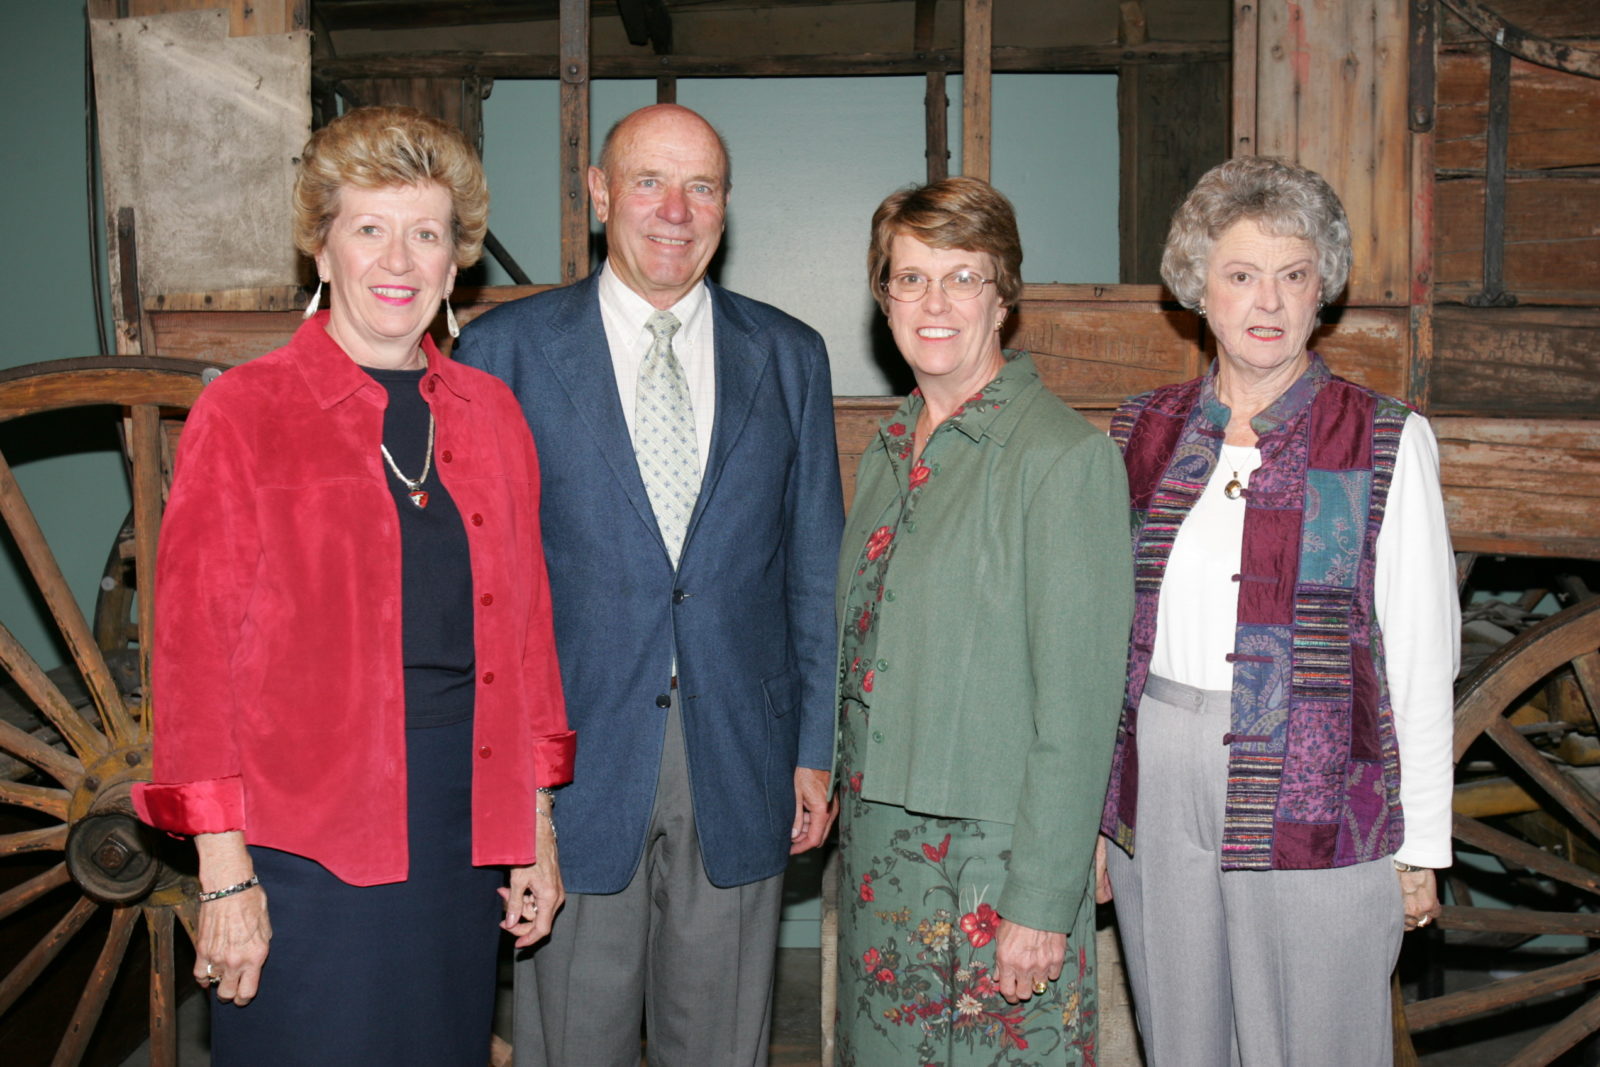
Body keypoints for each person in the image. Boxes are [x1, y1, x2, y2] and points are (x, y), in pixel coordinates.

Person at [132, 106, 575, 1065]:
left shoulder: (492, 414)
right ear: (322, 251)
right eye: (370, 228)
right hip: (298, 848)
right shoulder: (243, 413)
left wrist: (535, 823)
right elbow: (193, 663)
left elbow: (528, 637)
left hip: (460, 832)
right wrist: (222, 873)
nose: (399, 259)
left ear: (455, 264)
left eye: (428, 234)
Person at [454, 103, 843, 1067]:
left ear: (726, 205)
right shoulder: (503, 353)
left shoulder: (790, 355)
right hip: (571, 762)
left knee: (721, 1043)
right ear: (599, 194)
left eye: (701, 186)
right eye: (648, 182)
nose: (676, 210)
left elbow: (813, 567)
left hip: (742, 755)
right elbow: (476, 586)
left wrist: (813, 747)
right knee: (572, 1041)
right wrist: (504, 770)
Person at [1097, 155, 1458, 1066]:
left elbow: (1420, 654)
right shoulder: (1142, 431)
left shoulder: (1380, 435)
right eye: (1242, 274)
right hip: (1159, 777)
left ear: (1320, 290)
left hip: (1318, 785)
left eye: (1293, 275)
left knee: (1318, 1042)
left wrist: (1420, 843)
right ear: (1198, 289)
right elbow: (1106, 636)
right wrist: (1100, 812)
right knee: (1181, 1038)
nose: (1268, 301)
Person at [833, 176, 1133, 1065]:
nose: (934, 303)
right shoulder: (891, 451)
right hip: (881, 859)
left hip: (992, 873)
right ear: (884, 296)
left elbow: (1080, 711)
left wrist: (1040, 900)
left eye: (963, 278)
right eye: (910, 278)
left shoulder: (1063, 459)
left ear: (1004, 298)